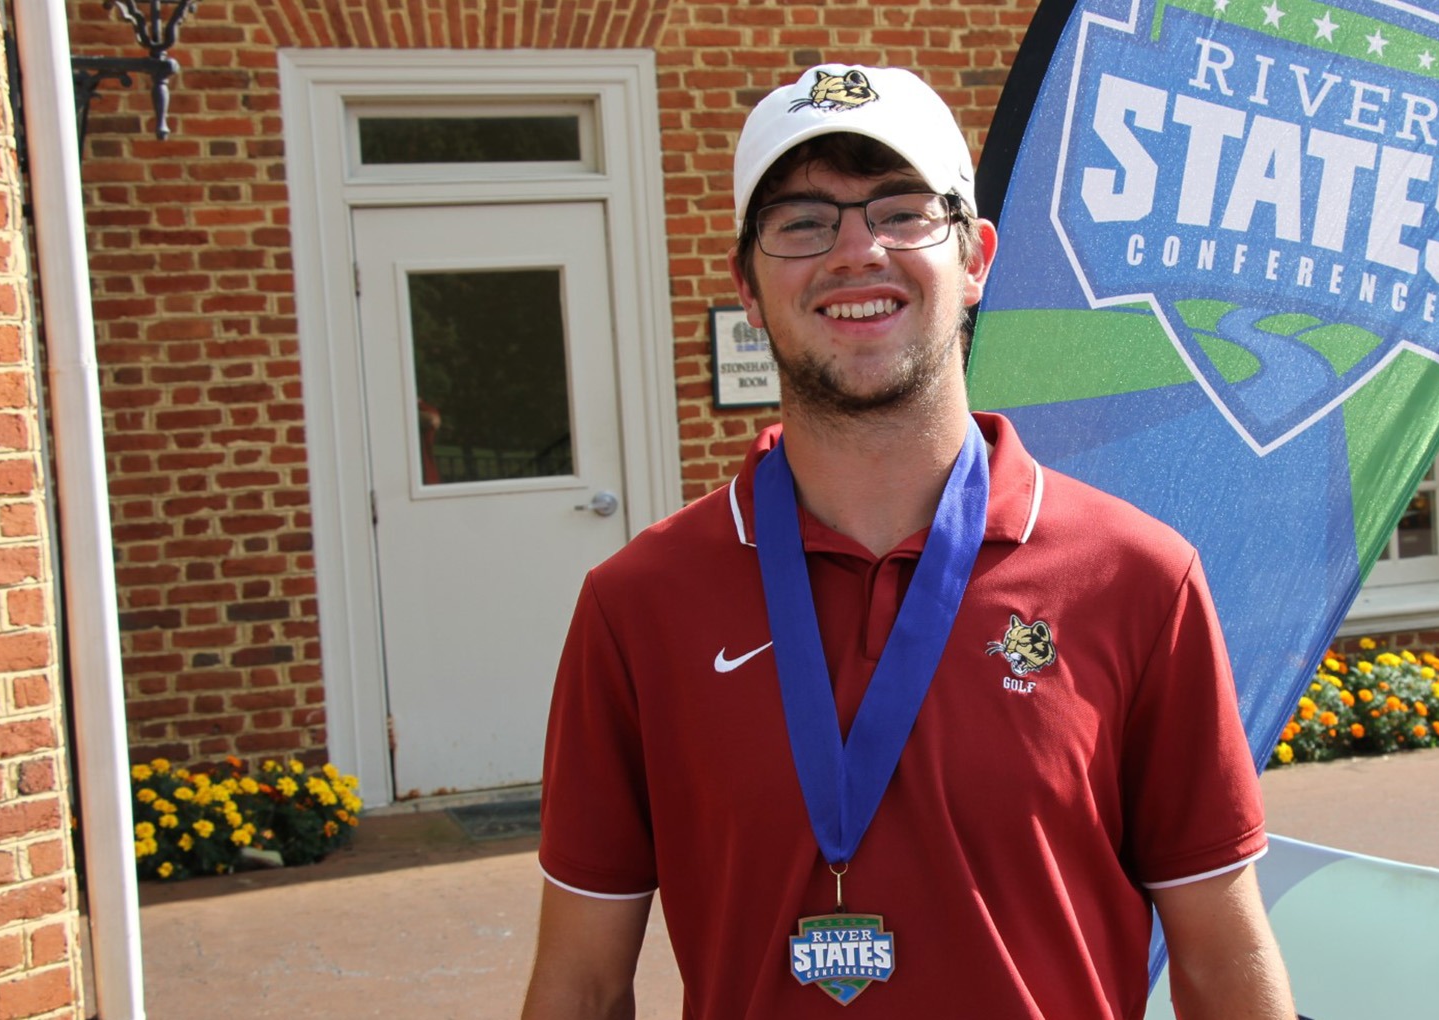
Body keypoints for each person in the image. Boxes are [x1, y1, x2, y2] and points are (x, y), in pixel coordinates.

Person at [520, 64, 1294, 1019]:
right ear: (749, 289)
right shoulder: (638, 605)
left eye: (901, 210)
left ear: (975, 261)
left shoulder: (1136, 578)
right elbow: (583, 984)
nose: (857, 251)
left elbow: (1224, 963)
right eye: (803, 222)